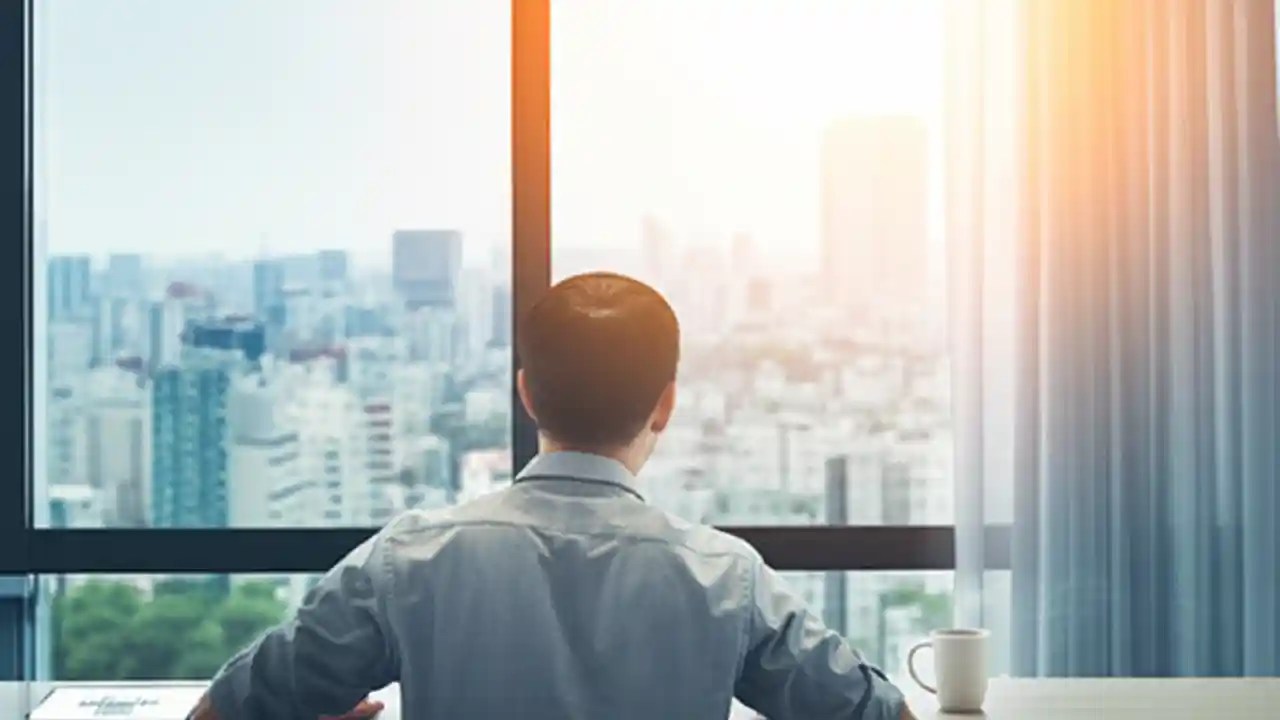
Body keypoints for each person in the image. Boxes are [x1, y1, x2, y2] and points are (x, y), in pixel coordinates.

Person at [189, 272, 913, 720]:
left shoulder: (408, 560)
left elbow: (220, 715)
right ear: (665, 405)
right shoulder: (728, 578)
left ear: (527, 394)